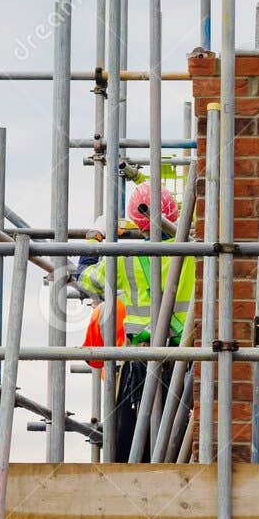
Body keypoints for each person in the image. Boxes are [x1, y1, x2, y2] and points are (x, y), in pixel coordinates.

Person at [79, 182, 195, 459]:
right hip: (188, 357)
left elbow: (85, 277)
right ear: (174, 213)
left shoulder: (124, 258)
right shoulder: (195, 252)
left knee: (130, 438)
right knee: (181, 434)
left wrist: (94, 238)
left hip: (142, 358)